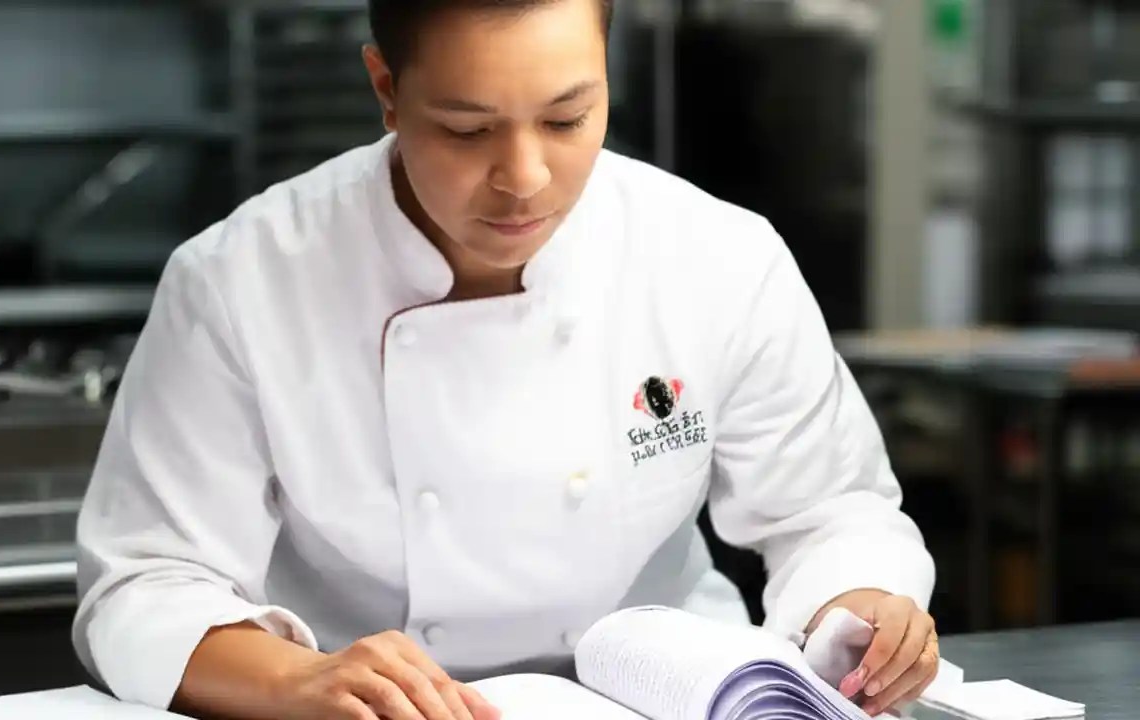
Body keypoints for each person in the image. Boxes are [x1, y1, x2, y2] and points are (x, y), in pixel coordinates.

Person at [72, 1, 939, 718]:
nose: (524, 178)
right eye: (466, 129)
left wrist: (858, 607)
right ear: (386, 88)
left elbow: (829, 511)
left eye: (568, 118)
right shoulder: (242, 280)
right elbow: (145, 585)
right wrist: (294, 681)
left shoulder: (718, 256)